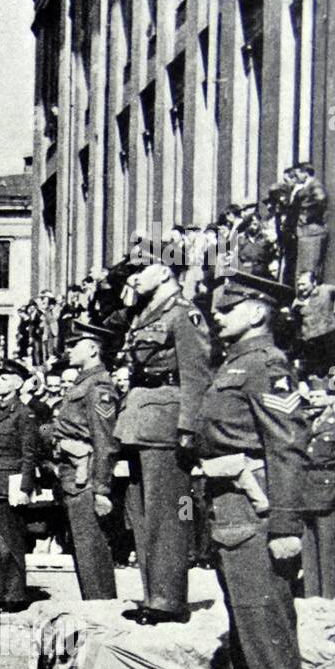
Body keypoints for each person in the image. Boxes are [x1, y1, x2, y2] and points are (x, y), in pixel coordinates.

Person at [197, 267, 313, 669]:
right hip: (228, 514)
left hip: (257, 514)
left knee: (268, 638)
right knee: (246, 639)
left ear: (258, 310)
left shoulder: (268, 365)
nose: (216, 314)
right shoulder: (235, 364)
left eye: (228, 306)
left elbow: (286, 447)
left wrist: (287, 526)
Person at [113, 247, 212, 625]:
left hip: (168, 420)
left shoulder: (184, 314)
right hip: (141, 421)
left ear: (167, 271)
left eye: (141, 269)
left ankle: (169, 599)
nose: (133, 276)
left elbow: (197, 374)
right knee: (142, 513)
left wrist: (189, 427)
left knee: (168, 513)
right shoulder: (143, 315)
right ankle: (153, 593)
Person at [50, 321, 121, 600]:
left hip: (86, 476)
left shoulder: (98, 385)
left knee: (91, 547)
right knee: (82, 547)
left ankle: (100, 609)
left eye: (74, 345)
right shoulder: (83, 382)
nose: (68, 351)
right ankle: (94, 606)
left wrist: (101, 489)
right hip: (72, 473)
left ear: (92, 349)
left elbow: (105, 440)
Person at [0, 360, 40, 614]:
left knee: (10, 542)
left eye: (3, 379)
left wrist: (25, 487)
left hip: (10, 484)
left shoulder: (23, 414)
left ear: (16, 384)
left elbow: (29, 453)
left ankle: (15, 595)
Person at [300, 371, 335, 600]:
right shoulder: (308, 423)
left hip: (328, 489)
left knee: (329, 546)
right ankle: (312, 593)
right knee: (309, 545)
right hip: (306, 488)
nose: (313, 400)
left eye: (319, 396)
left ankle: (330, 593)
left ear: (332, 398)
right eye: (311, 396)